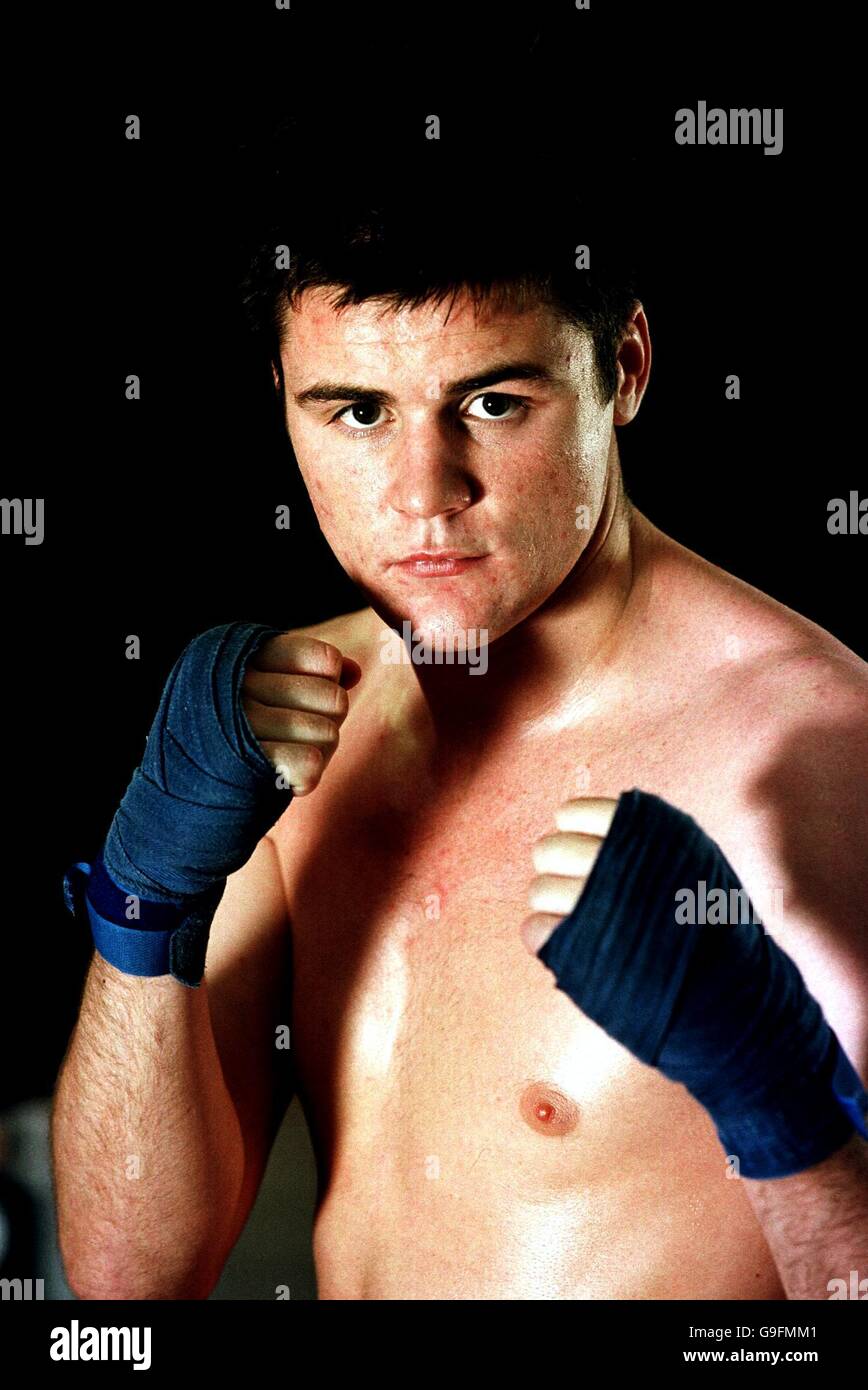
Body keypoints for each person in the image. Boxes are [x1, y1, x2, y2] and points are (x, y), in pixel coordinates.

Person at [52, 120, 868, 1300]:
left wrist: (779, 1100)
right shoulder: (289, 732)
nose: (424, 495)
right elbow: (129, 1278)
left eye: (490, 403)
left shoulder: (820, 761)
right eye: (357, 413)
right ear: (281, 399)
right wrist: (142, 895)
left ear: (624, 368)